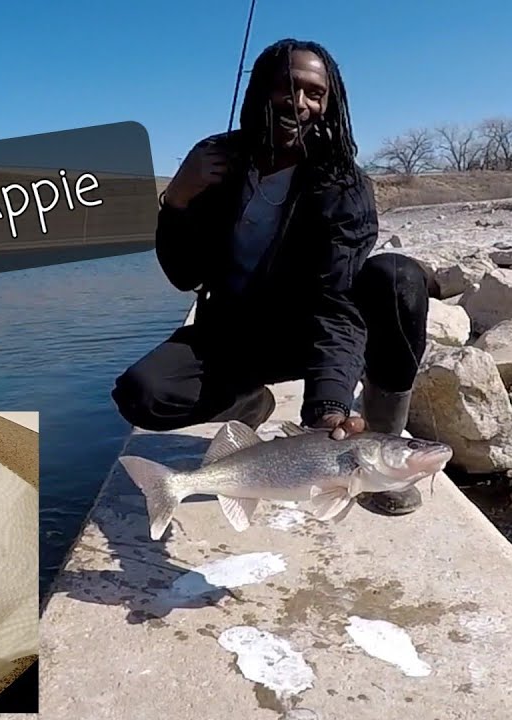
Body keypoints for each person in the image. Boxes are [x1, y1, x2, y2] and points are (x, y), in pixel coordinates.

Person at [111, 38, 433, 516]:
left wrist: (328, 408)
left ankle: (382, 456)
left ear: (329, 102)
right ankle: (246, 405)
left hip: (307, 335)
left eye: (314, 92)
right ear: (260, 91)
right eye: (285, 87)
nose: (298, 103)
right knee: (141, 393)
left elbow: (336, 303)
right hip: (233, 332)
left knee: (396, 279)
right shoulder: (213, 162)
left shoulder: (343, 183)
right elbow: (184, 276)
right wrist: (176, 200)